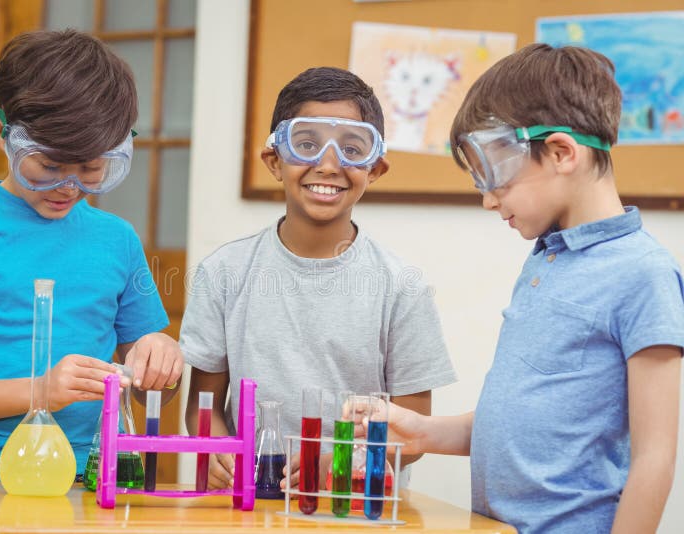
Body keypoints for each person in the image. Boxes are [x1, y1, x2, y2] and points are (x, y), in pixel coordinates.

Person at [380, 43, 684, 533]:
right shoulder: (547, 257)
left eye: (494, 174)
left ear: (562, 151)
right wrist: (425, 434)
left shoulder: (643, 274)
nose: (486, 199)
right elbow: (529, 422)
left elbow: (656, 458)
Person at [0, 29, 183, 482]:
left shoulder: (118, 240)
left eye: (91, 168)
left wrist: (161, 361)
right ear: (1, 133)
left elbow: (147, 391)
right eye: (49, 165)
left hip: (95, 479)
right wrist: (41, 392)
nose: (70, 186)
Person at [179, 66, 456, 489]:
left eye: (351, 148)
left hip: (357, 509)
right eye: (306, 144)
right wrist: (213, 445)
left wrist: (342, 464)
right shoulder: (223, 273)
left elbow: (414, 432)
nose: (328, 165)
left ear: (375, 169)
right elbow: (204, 407)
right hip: (251, 502)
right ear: (274, 161)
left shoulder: (402, 287)